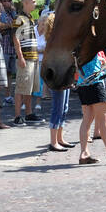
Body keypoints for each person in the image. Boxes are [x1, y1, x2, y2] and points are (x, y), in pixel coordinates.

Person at [38, 11, 73, 151]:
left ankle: (59, 138)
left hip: (64, 74)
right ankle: (53, 141)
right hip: (58, 76)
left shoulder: (58, 39)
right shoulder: (54, 40)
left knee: (63, 107)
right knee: (57, 108)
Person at [13, 0, 41, 125]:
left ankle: (29, 113)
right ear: (25, 3)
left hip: (33, 57)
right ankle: (17, 116)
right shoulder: (19, 19)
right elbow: (16, 39)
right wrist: (20, 57)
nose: (35, 4)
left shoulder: (30, 18)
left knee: (30, 88)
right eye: (33, 1)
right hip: (26, 58)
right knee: (21, 87)